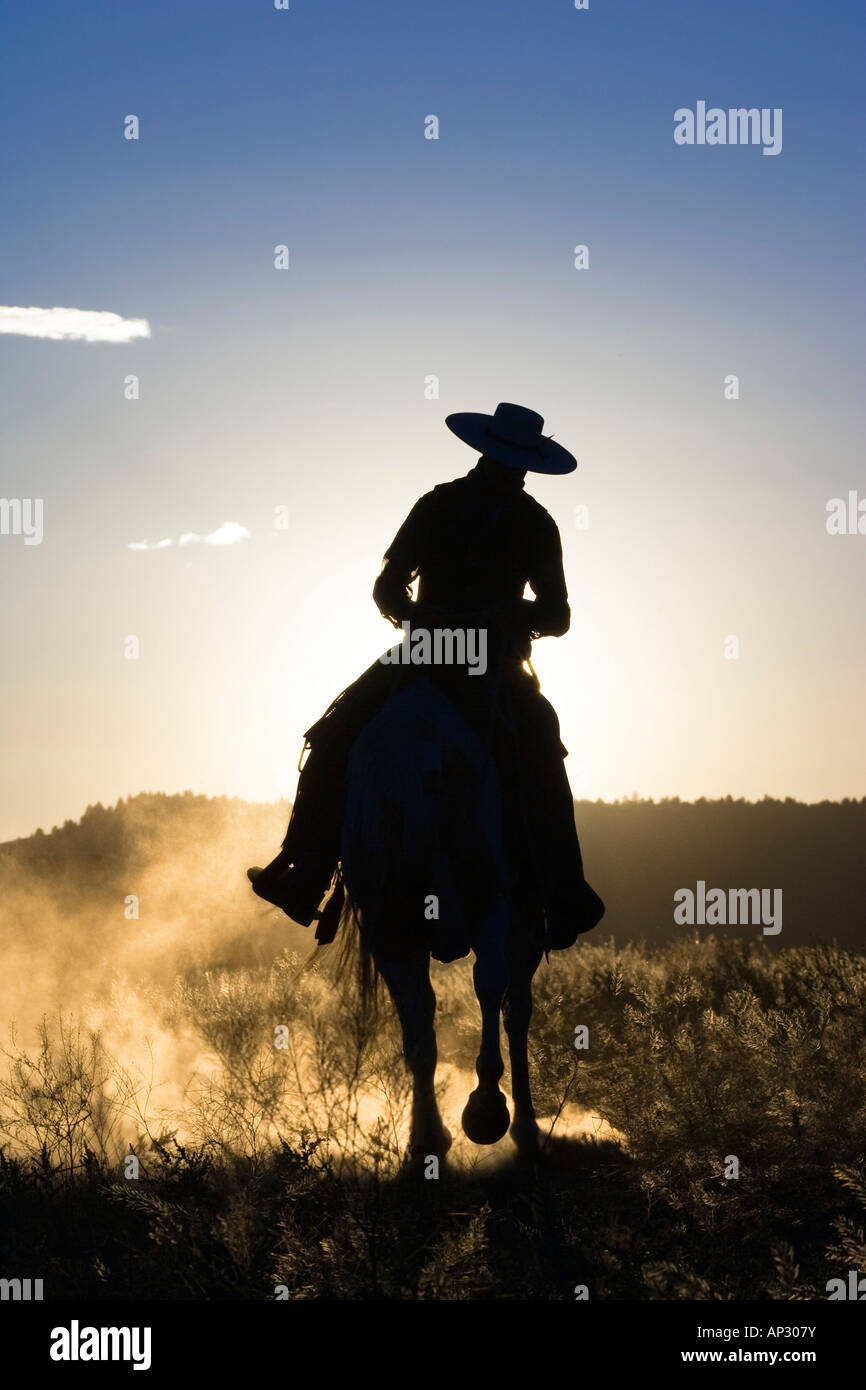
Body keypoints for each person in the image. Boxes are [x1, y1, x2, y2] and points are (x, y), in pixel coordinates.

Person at [247, 402, 604, 951]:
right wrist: (482, 616)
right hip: (480, 659)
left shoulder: (474, 510)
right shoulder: (509, 516)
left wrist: (421, 617)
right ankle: (563, 892)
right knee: (536, 747)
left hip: (435, 653)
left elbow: (391, 587)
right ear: (516, 458)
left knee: (337, 734)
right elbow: (554, 615)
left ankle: (303, 873)